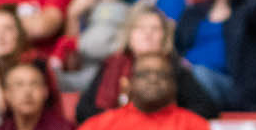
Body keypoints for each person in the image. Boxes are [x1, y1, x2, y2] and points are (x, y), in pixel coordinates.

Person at [73, 6, 220, 124]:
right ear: (129, 35)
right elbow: (84, 111)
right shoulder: (112, 65)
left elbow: (206, 108)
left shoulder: (173, 68)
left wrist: (163, 119)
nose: (147, 34)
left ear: (165, 36)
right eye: (141, 28)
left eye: (155, 29)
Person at [73, 53, 211, 130]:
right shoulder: (99, 125)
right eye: (144, 74)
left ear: (173, 85)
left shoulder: (194, 125)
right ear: (130, 83)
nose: (153, 80)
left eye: (161, 74)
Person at [0, 59, 74, 130]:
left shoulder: (64, 128)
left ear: (45, 92)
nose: (27, 92)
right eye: (19, 84)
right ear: (6, 94)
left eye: (34, 84)